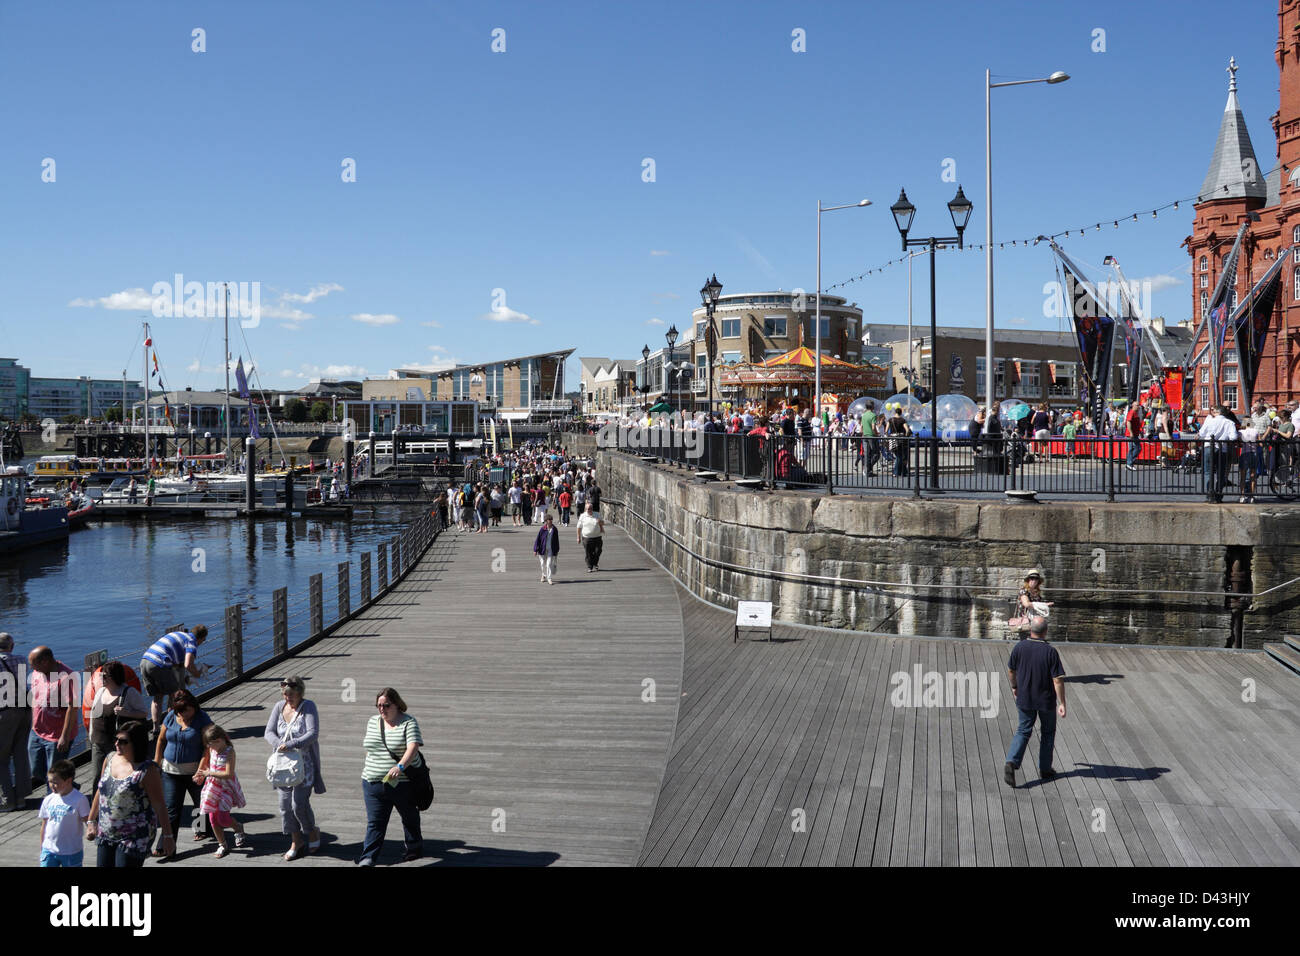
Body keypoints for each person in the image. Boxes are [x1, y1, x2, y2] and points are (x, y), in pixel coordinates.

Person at [87, 720, 171, 868]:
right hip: (106, 832)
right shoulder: (110, 758)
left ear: (136, 743)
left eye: (123, 741)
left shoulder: (147, 770)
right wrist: (91, 821)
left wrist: (168, 835)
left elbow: (159, 805)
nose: (117, 744)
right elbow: (101, 790)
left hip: (134, 836)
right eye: (116, 739)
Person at [358, 687, 425, 866]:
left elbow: (413, 747)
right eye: (378, 705)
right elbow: (369, 747)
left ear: (396, 704)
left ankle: (413, 846)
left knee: (409, 816)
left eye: (386, 705)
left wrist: (400, 766)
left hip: (401, 783)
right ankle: (368, 857)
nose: (382, 709)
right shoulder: (373, 721)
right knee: (375, 822)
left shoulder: (408, 722)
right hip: (372, 782)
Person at [264, 675, 324, 861]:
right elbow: (268, 732)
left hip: (304, 765)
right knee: (284, 806)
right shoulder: (278, 707)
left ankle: (311, 831)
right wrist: (279, 743)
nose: (287, 698)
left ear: (300, 692)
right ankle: (296, 840)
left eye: (291, 695)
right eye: (285, 695)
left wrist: (291, 743)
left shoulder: (309, 707)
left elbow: (313, 734)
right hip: (283, 765)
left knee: (298, 804)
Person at [1004, 618, 1066, 787]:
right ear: (1045, 631)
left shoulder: (1019, 647)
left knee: (1023, 730)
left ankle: (1011, 761)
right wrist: (1062, 703)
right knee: (1047, 732)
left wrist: (1015, 686)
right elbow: (1057, 681)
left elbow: (1011, 670)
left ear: (1030, 630)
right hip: (1045, 700)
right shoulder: (1050, 652)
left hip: (1025, 697)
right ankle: (1045, 769)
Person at [153, 689, 213, 855]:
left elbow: (208, 747)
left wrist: (202, 769)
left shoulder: (203, 720)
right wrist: (157, 762)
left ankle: (201, 829)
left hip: (195, 771)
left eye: (185, 710)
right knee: (171, 809)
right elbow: (161, 739)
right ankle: (164, 846)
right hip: (170, 771)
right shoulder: (172, 716)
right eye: (179, 711)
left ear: (193, 706)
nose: (182, 715)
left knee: (200, 804)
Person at [87, 661, 149, 795]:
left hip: (117, 744)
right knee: (97, 777)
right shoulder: (100, 692)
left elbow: (143, 713)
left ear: (114, 677)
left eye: (104, 676)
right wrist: (91, 736)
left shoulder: (129, 693)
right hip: (98, 742)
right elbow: (93, 714)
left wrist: (126, 712)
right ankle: (96, 809)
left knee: (116, 774)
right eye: (101, 676)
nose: (101, 679)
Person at [140, 625, 208, 734]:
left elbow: (173, 654)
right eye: (203, 641)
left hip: (145, 661)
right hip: (159, 664)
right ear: (201, 638)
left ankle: (156, 728)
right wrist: (197, 674)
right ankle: (170, 726)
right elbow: (188, 664)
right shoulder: (192, 642)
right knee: (174, 697)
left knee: (157, 697)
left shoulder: (178, 634)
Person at [27, 646, 76, 793]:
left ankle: (54, 805)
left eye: (33, 663)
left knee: (54, 775)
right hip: (37, 731)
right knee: (36, 770)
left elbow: (73, 707)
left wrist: (65, 736)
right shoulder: (37, 673)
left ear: (45, 662)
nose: (31, 667)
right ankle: (69, 786)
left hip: (57, 734)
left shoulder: (66, 676)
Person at [195, 725, 247, 858]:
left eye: (215, 743)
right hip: (212, 786)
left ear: (222, 739)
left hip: (226, 787)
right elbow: (207, 763)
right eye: (211, 745)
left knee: (223, 818)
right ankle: (222, 844)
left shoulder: (229, 751)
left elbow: (229, 774)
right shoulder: (211, 749)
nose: (213, 747)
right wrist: (199, 775)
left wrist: (209, 773)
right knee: (212, 817)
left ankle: (237, 827)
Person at [0, 633, 31, 812]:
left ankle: (7, 800)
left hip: (3, 712)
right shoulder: (21, 660)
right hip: (23, 710)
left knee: (1, 759)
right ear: (11, 646)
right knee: (20, 754)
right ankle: (21, 798)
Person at [38, 760, 89, 867]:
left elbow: (88, 820)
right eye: (50, 782)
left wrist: (91, 830)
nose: (52, 785)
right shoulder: (48, 799)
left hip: (71, 851)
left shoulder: (79, 799)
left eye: (56, 782)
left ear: (69, 781)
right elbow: (45, 824)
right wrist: (42, 846)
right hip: (49, 850)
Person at [576, 500, 605, 573]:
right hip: (587, 538)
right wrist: (578, 537)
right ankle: (590, 566)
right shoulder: (583, 516)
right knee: (588, 553)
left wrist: (600, 522)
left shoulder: (597, 514)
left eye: (591, 508)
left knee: (598, 551)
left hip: (597, 537)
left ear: (592, 508)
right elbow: (579, 527)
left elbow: (603, 523)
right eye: (588, 509)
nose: (589, 510)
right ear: (586, 509)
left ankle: (595, 563)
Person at [533, 513, 560, 585]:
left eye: (551, 519)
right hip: (542, 549)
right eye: (549, 520)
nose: (551, 521)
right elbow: (538, 539)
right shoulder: (542, 529)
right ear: (546, 521)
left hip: (551, 549)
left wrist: (557, 550)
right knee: (542, 564)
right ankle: (543, 575)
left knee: (549, 564)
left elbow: (557, 540)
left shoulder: (554, 529)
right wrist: (535, 549)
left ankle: (549, 578)